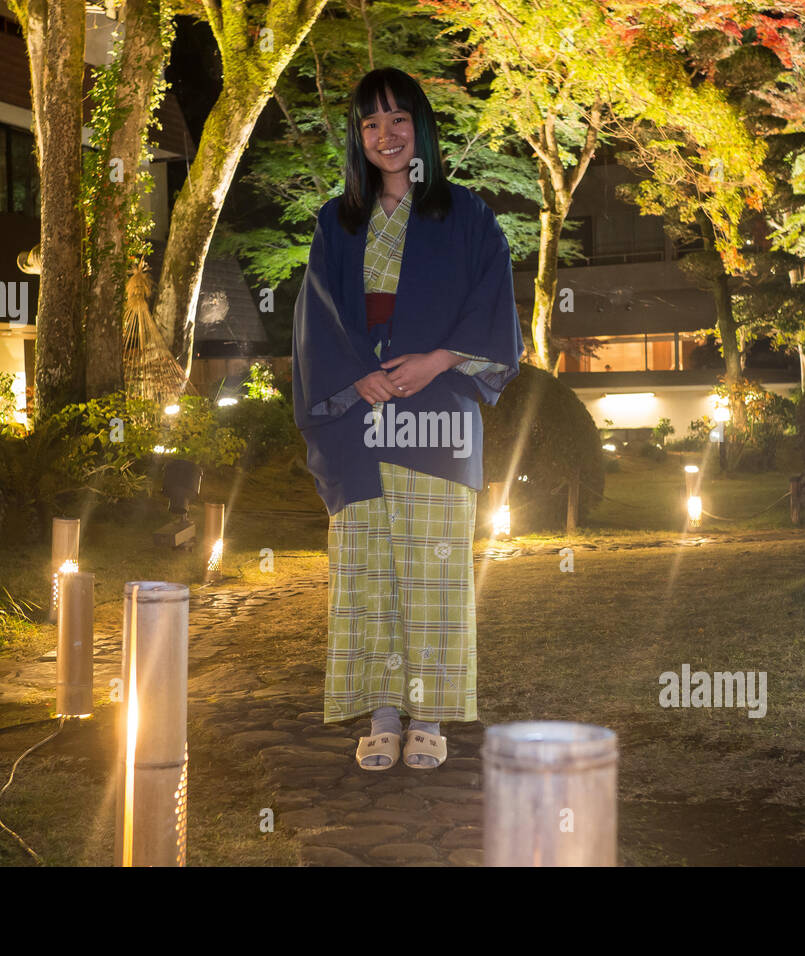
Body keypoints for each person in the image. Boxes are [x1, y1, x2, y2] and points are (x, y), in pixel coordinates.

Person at [292, 67, 522, 771]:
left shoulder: (468, 216)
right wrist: (354, 372)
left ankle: (430, 717)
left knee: (434, 574)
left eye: (398, 121)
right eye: (371, 124)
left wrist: (438, 359)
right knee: (368, 573)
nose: (386, 137)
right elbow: (318, 318)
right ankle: (383, 714)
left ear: (420, 128)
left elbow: (494, 305)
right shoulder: (338, 221)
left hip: (437, 414)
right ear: (357, 138)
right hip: (361, 415)